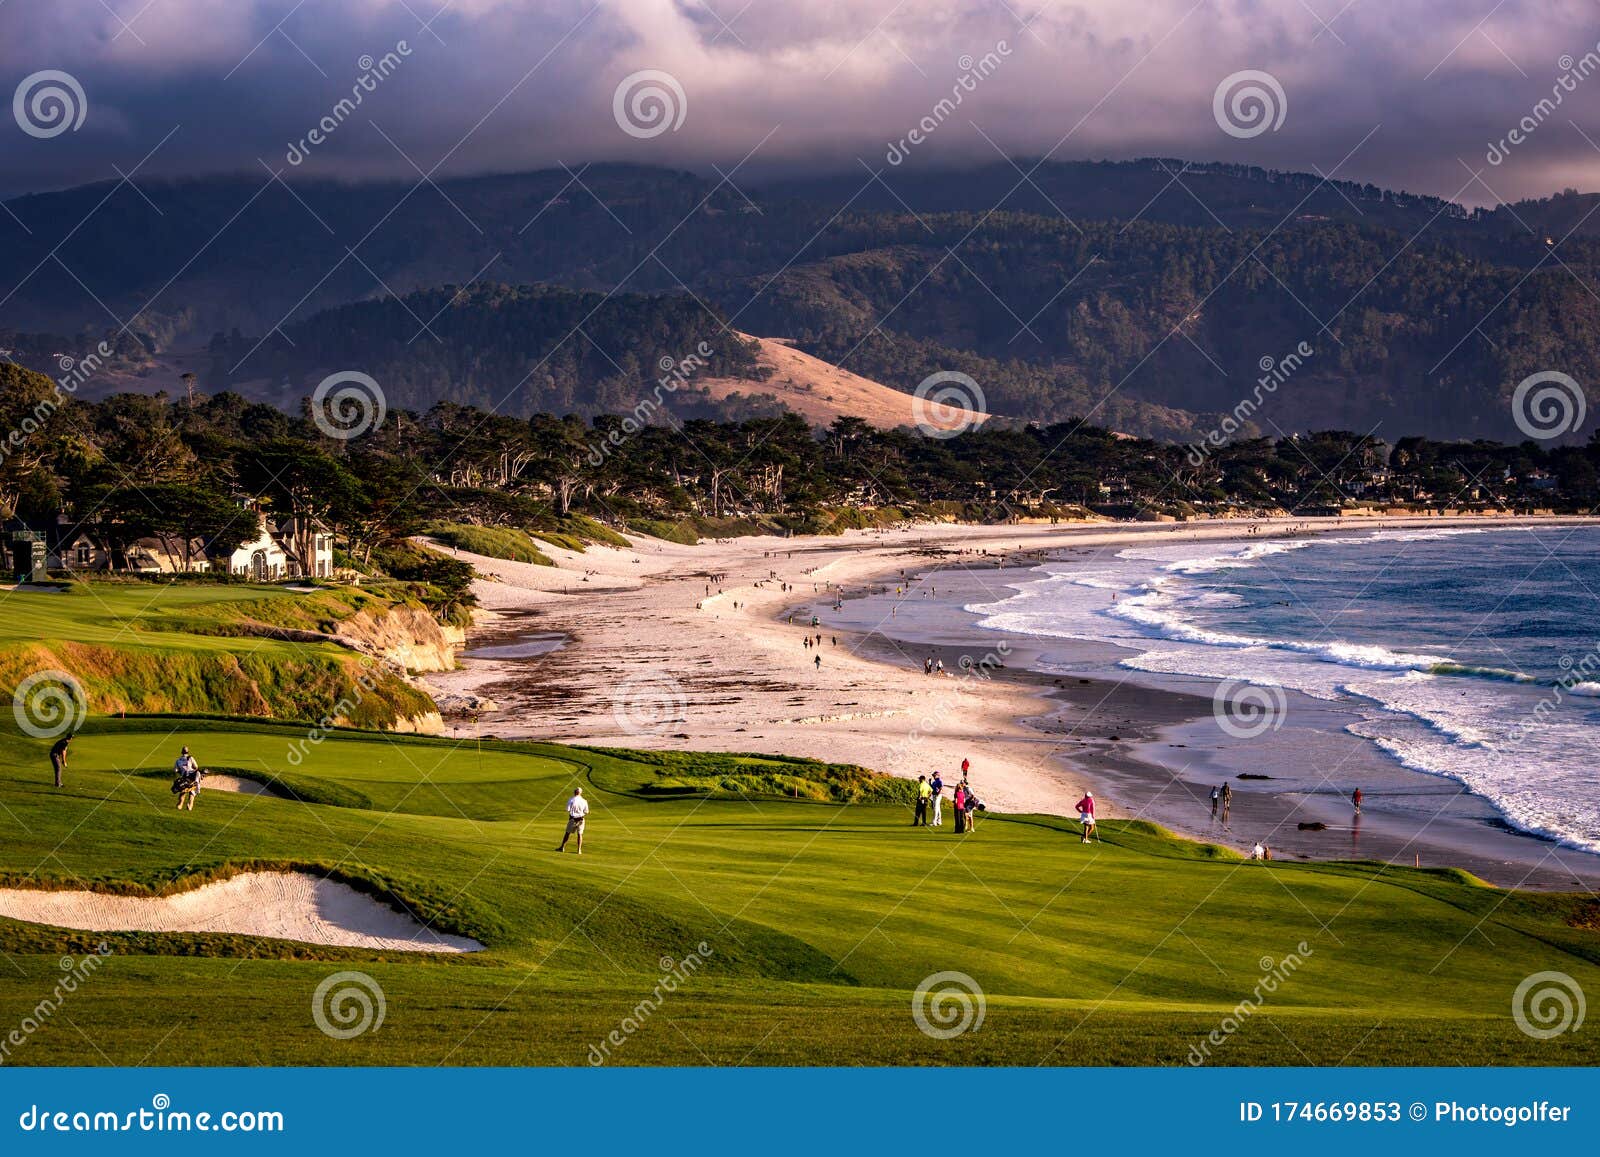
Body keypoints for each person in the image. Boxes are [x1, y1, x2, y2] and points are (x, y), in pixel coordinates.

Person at [558, 787, 590, 854]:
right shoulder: (584, 801)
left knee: (567, 833)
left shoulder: (571, 799)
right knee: (580, 834)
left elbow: (567, 809)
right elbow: (586, 811)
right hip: (581, 819)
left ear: (574, 792)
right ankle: (579, 850)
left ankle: (562, 847)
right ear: (581, 793)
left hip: (573, 819)